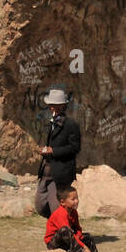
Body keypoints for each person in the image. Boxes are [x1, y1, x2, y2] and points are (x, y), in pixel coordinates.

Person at [35, 88, 81, 218]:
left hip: (60, 173)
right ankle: (59, 225)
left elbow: (74, 148)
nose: (52, 107)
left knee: (56, 207)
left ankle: (63, 231)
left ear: (63, 106)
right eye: (51, 105)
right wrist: (45, 149)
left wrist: (53, 151)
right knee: (40, 204)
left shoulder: (71, 125)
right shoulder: (52, 123)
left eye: (56, 105)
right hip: (46, 171)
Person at [44, 184, 107, 252]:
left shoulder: (73, 212)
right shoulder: (60, 214)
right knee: (65, 230)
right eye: (73, 199)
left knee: (88, 237)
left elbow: (77, 229)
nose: (76, 201)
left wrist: (81, 239)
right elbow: (68, 232)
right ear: (62, 202)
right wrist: (84, 247)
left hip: (68, 239)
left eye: (77, 198)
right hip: (54, 243)